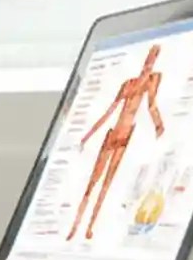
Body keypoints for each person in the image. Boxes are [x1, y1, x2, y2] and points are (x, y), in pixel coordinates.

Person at [67, 44, 166, 241]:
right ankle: (74, 227)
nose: (149, 62)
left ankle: (90, 228)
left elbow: (152, 105)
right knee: (91, 185)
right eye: (148, 57)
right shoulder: (128, 83)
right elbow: (110, 111)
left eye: (153, 58)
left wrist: (159, 126)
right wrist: (87, 136)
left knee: (105, 185)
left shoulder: (152, 80)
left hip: (125, 136)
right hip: (112, 135)